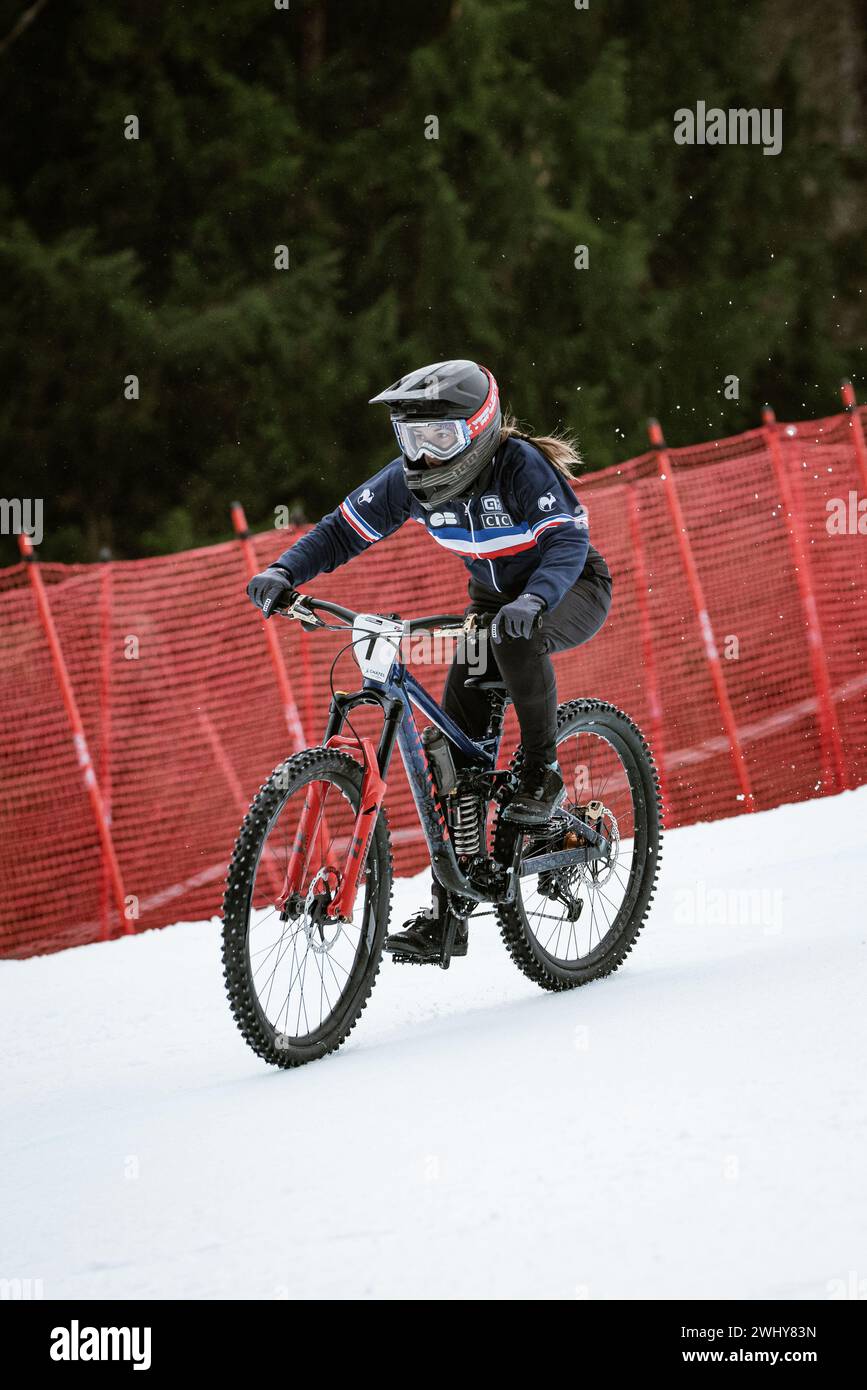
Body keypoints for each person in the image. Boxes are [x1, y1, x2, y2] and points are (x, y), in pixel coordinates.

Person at [247, 360, 612, 962]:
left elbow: (568, 541)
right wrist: (285, 571)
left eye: (440, 437)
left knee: (514, 640)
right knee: (452, 752)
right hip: (494, 605)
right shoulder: (409, 483)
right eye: (412, 439)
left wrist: (534, 599)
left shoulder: (520, 466)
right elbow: (342, 531)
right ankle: (451, 918)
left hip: (567, 589)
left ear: (480, 427)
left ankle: (542, 771)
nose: (424, 454)